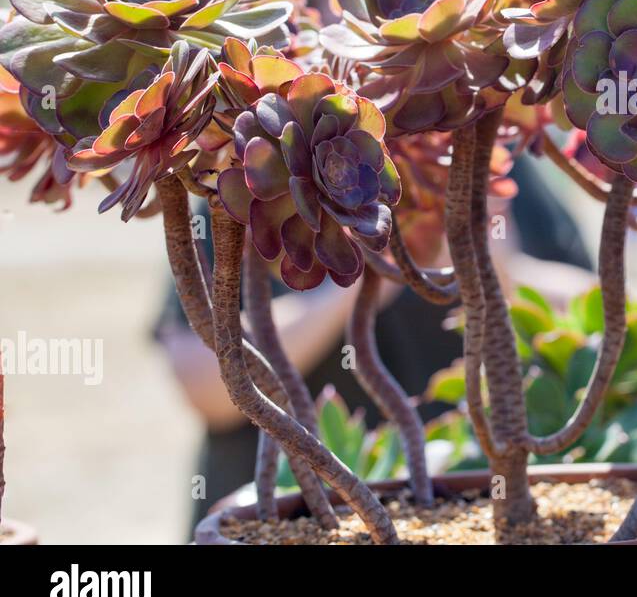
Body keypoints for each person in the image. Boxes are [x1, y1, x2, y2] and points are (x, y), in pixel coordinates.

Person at [155, 153, 593, 532]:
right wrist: (350, 279)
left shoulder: (489, 157)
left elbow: (605, 320)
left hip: (462, 507)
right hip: (282, 514)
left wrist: (501, 273)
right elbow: (204, 386)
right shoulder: (262, 167)